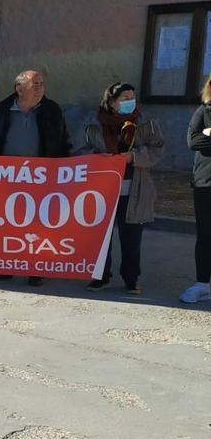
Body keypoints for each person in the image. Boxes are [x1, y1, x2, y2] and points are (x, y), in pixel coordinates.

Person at [0, 69, 71, 286]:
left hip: (41, 177)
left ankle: (35, 268)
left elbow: (63, 140)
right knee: (5, 225)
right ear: (19, 88)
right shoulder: (1, 111)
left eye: (41, 83)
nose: (39, 86)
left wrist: (67, 168)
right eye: (34, 83)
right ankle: (3, 267)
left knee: (38, 225)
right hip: (7, 177)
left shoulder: (52, 110)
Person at [75, 82, 163, 294]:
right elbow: (79, 149)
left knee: (131, 238)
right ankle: (100, 276)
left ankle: (131, 278)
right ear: (112, 102)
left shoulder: (146, 123)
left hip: (134, 188)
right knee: (100, 237)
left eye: (132, 97)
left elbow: (157, 149)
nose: (129, 102)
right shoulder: (93, 124)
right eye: (124, 98)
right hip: (101, 191)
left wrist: (133, 156)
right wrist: (96, 158)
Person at [180, 74, 211, 303]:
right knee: (205, 234)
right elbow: (193, 141)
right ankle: (203, 283)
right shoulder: (204, 111)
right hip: (205, 182)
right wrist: (205, 135)